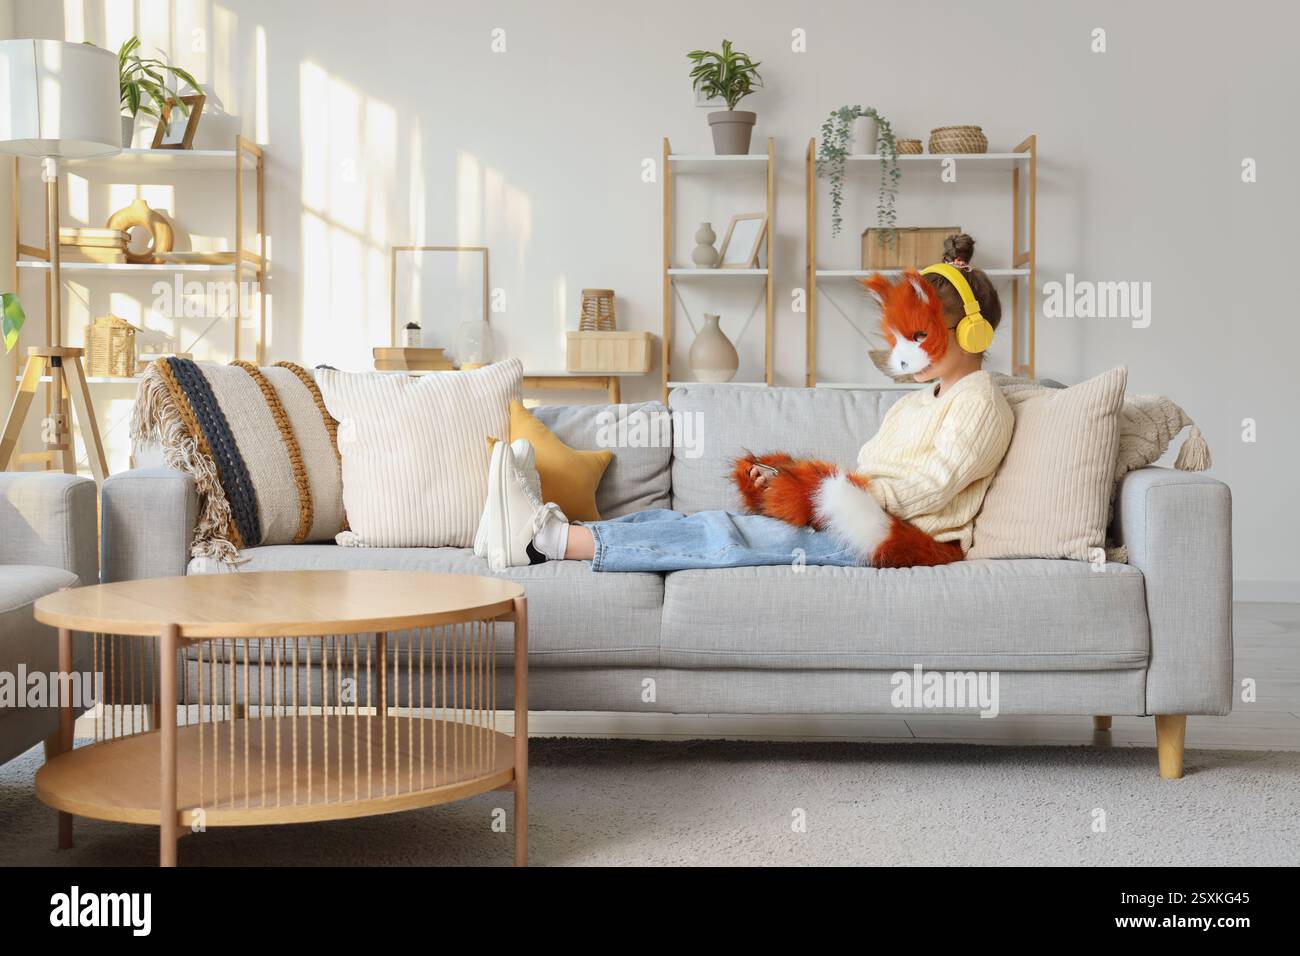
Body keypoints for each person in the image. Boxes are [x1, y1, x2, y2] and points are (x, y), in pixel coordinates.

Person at [476, 234, 1013, 573]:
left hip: (903, 539)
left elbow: (932, 486)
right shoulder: (916, 405)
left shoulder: (981, 402)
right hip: (862, 517)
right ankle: (540, 537)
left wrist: (829, 498)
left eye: (919, 337)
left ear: (972, 331)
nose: (903, 354)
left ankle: (548, 540)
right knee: (706, 519)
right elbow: (871, 474)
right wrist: (806, 489)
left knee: (725, 536)